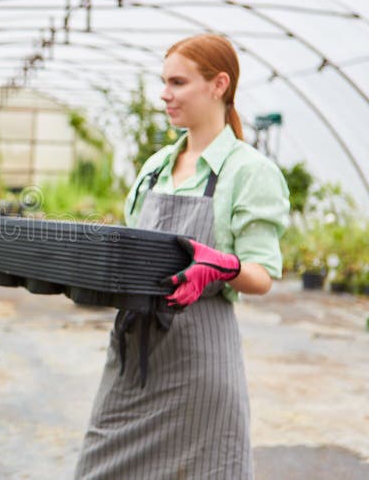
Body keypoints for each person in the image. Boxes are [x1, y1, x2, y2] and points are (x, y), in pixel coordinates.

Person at [75, 34, 290, 479]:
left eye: (178, 82)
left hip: (200, 360)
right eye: (163, 81)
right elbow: (135, 250)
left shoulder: (248, 171)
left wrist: (223, 265)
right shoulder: (156, 166)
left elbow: (262, 273)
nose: (164, 94)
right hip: (134, 357)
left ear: (219, 85)